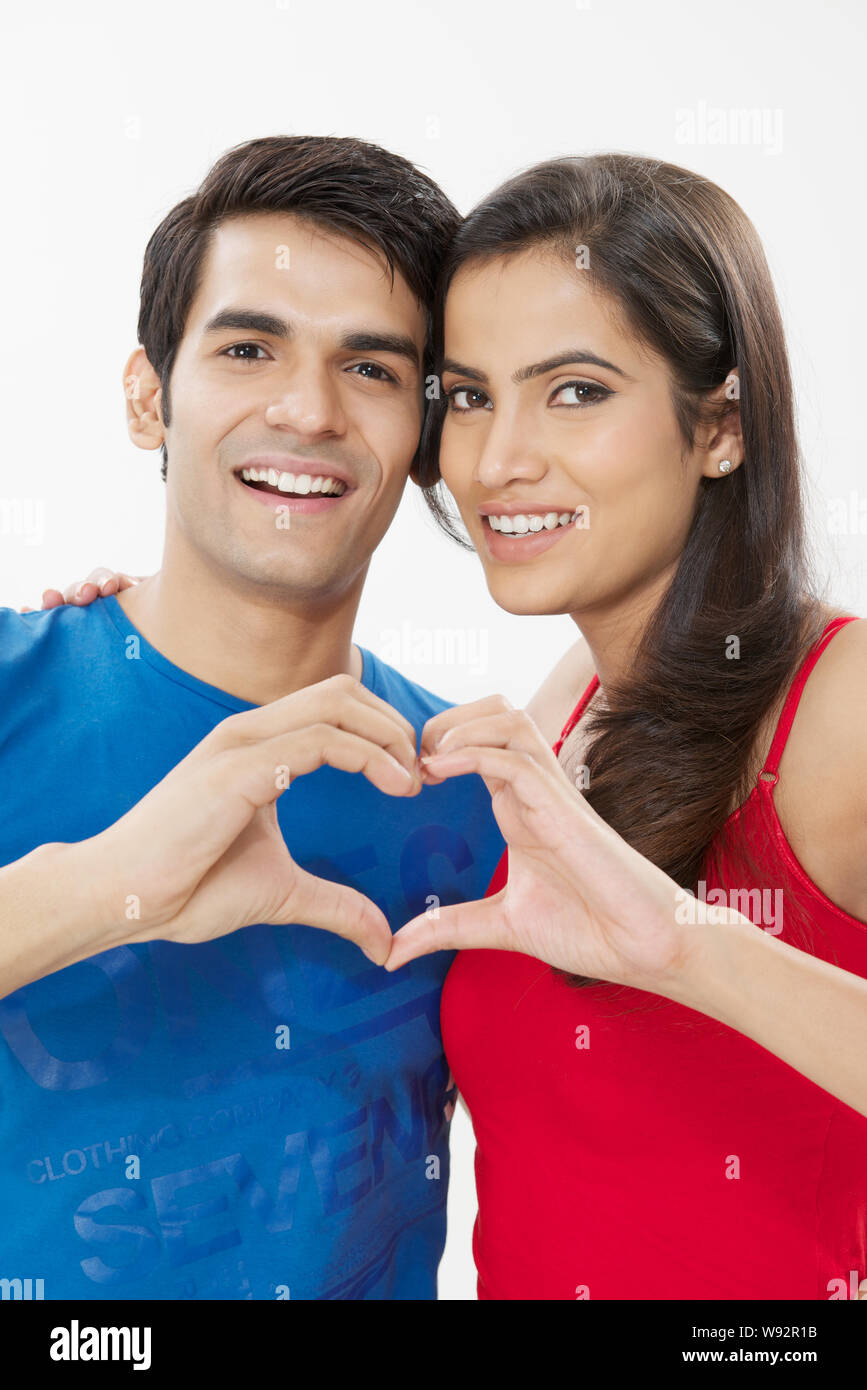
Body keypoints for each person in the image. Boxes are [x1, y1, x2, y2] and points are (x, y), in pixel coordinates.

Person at [0, 134, 505, 1301]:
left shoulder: (479, 802)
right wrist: (111, 885)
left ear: (424, 439)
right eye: (247, 347)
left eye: (373, 369)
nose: (309, 410)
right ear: (147, 397)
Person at [382, 153, 866, 1300]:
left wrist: (690, 948)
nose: (498, 461)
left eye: (577, 390)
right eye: (470, 395)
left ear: (723, 429)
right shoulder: (566, 710)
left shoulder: (839, 704)